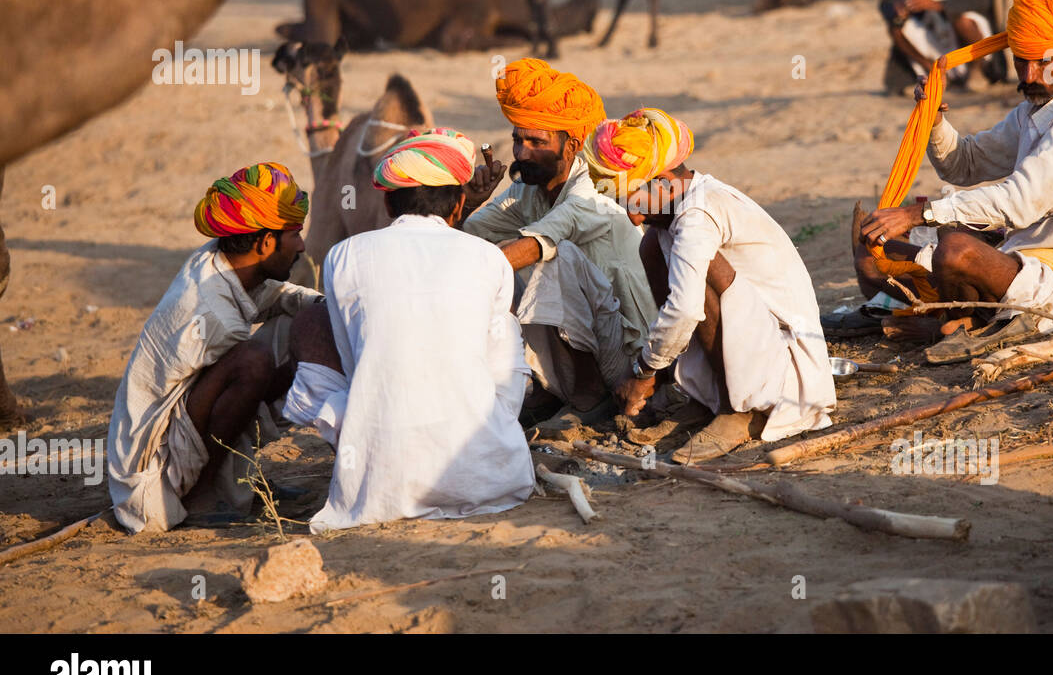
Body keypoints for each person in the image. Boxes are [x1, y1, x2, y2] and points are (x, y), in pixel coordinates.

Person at [855, 0, 1053, 364]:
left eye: (1043, 63)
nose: (1030, 75)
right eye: (1022, 62)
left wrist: (916, 215)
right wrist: (935, 120)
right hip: (1015, 261)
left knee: (954, 247)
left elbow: (1020, 202)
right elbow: (965, 164)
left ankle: (953, 325)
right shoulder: (1030, 112)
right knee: (869, 237)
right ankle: (954, 319)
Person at [289, 129, 535, 532]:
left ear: (387, 201)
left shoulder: (343, 255)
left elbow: (353, 356)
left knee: (310, 320)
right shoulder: (489, 257)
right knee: (500, 325)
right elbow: (503, 369)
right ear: (459, 204)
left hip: (380, 482)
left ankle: (365, 443)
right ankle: (488, 435)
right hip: (492, 478)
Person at [585, 109, 836, 463]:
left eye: (635, 202)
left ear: (664, 181)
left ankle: (739, 411)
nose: (634, 217)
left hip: (785, 367)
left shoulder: (699, 215)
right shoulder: (685, 204)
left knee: (700, 274)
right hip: (753, 344)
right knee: (652, 245)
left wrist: (644, 372)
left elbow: (686, 309)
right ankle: (708, 400)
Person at [107, 163, 319, 533]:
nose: (301, 245)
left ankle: (239, 486)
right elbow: (254, 387)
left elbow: (278, 299)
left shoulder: (222, 262)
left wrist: (328, 309)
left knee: (295, 321)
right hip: (151, 480)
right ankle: (205, 499)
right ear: (265, 242)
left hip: (183, 427)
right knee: (254, 362)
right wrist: (308, 358)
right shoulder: (215, 313)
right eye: (294, 234)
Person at [461, 59, 657, 426]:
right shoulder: (527, 190)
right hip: (585, 343)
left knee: (552, 257)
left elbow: (538, 244)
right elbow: (470, 238)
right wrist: (469, 203)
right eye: (518, 140)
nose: (522, 153)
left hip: (631, 359)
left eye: (537, 142)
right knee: (498, 260)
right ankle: (554, 391)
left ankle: (588, 398)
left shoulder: (590, 192)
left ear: (572, 147)